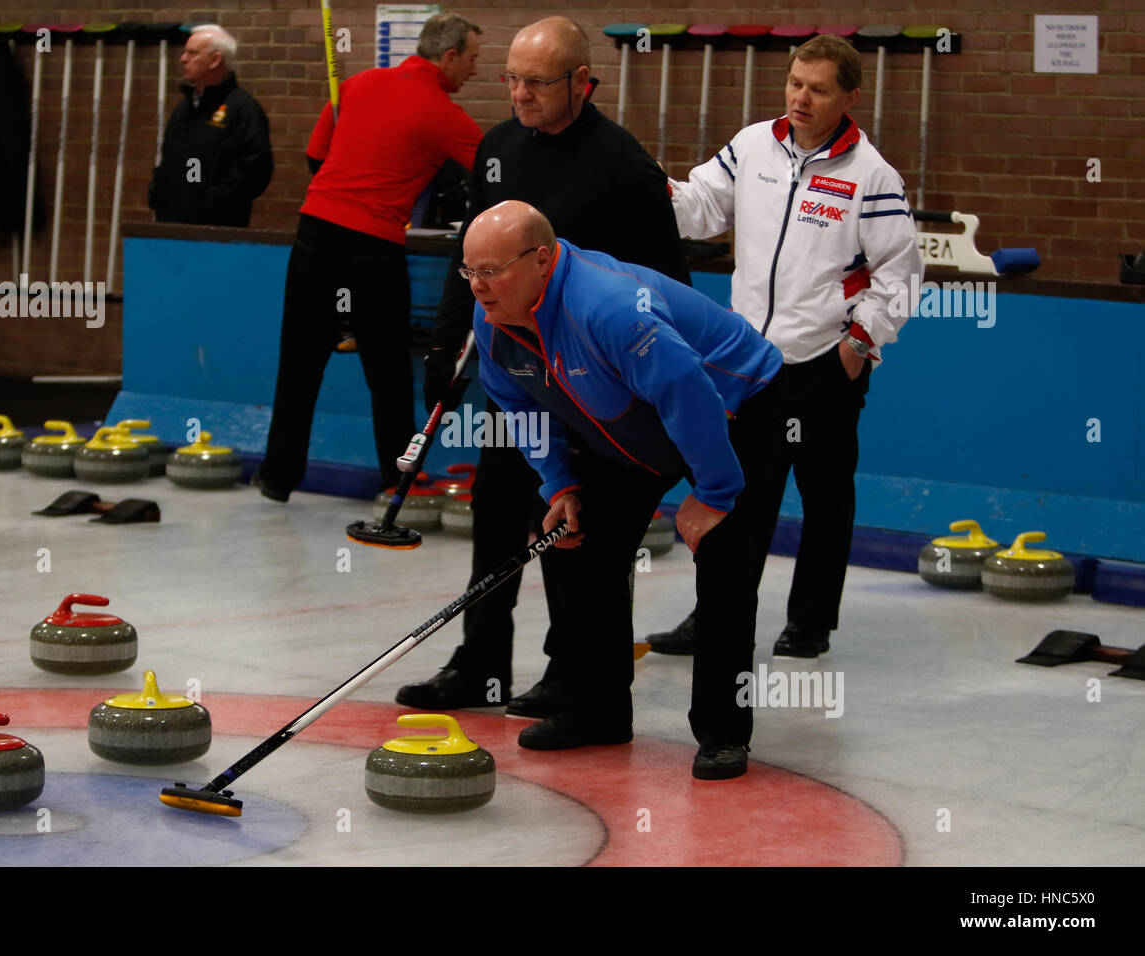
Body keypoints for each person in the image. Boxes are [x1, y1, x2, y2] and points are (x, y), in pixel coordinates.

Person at [394, 16, 690, 716]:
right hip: (517, 378)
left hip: (596, 394)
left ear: (583, 83)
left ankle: (574, 673)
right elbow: (470, 257)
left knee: (574, 533)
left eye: (537, 82)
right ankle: (481, 664)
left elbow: (665, 288)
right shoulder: (497, 149)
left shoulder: (626, 169)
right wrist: (444, 344)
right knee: (496, 513)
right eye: (512, 79)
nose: (520, 94)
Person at [463, 201, 784, 777]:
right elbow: (519, 404)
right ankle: (597, 709)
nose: (479, 286)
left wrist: (713, 493)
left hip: (734, 410)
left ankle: (722, 730)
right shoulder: (493, 325)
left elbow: (689, 392)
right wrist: (561, 483)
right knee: (575, 542)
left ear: (541, 260)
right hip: (634, 420)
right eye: (470, 272)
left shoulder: (610, 309)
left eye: (492, 270)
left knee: (725, 567)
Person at [651, 34, 922, 658]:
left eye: (818, 88)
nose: (801, 97)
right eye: (795, 82)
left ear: (849, 97)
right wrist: (645, 185)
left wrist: (860, 343)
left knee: (825, 497)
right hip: (745, 364)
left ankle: (810, 622)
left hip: (825, 365)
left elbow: (902, 277)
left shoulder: (872, 176)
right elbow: (696, 211)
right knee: (732, 492)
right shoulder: (751, 146)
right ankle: (714, 614)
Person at [256, 13, 483, 499]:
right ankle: (396, 480)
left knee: (299, 360)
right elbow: (496, 172)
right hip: (372, 245)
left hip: (314, 230)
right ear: (448, 57)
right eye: (472, 59)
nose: (475, 71)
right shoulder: (443, 114)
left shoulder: (356, 84)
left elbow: (318, 154)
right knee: (387, 371)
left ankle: (277, 476)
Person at [149, 24, 273, 227]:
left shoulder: (242, 110)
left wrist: (210, 202)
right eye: (184, 53)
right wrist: (157, 191)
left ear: (215, 60)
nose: (183, 59)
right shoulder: (185, 108)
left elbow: (254, 171)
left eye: (192, 53)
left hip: (216, 229)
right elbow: (181, 159)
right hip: (170, 223)